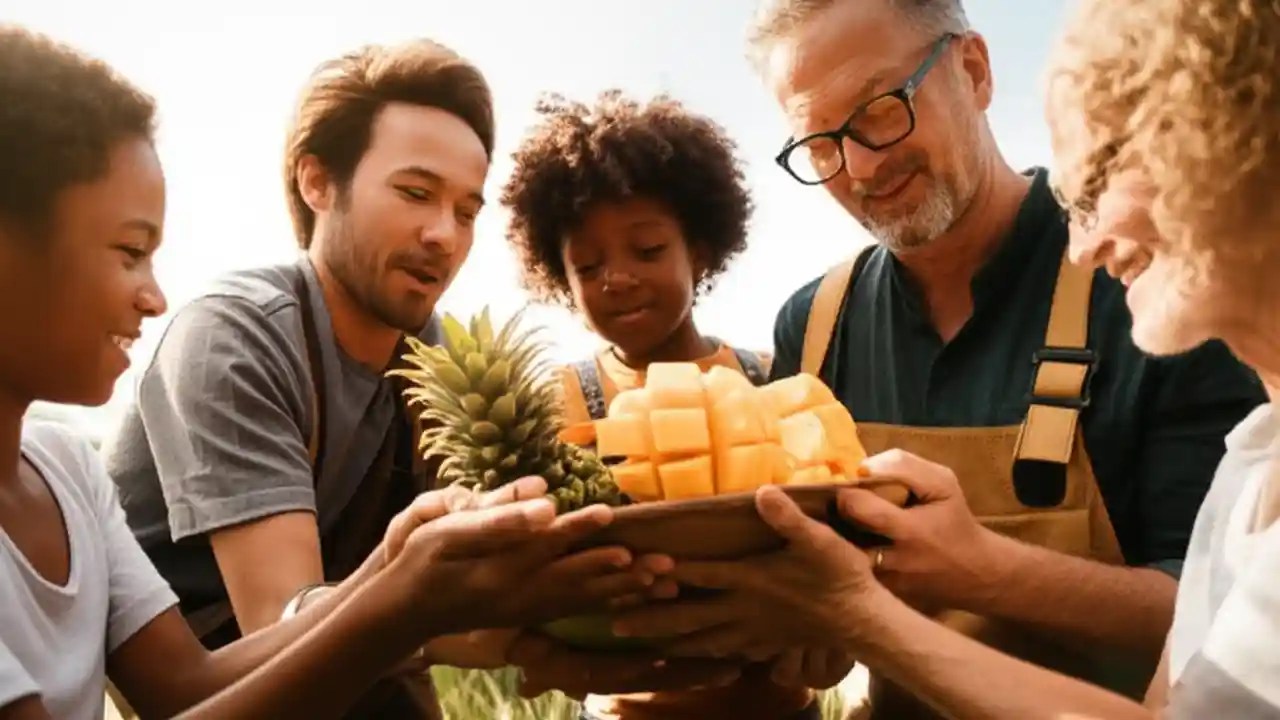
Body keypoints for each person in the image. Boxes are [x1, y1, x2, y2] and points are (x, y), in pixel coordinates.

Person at [607, 0, 1280, 716]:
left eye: (880, 109)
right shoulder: (813, 325)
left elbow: (1215, 618)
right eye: (823, 144)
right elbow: (820, 617)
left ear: (975, 71)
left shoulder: (1162, 288)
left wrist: (983, 574)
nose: (861, 165)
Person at [0, 24, 686, 720]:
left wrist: (543, 620)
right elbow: (278, 620)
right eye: (415, 193)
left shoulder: (439, 363)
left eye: (466, 211)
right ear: (318, 181)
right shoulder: (238, 335)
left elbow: (447, 588)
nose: (444, 235)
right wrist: (408, 594)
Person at [497, 89, 847, 720]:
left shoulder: (770, 379)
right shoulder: (561, 403)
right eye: (588, 265)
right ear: (562, 280)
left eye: (648, 250)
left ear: (702, 252)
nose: (619, 277)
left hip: (779, 704)